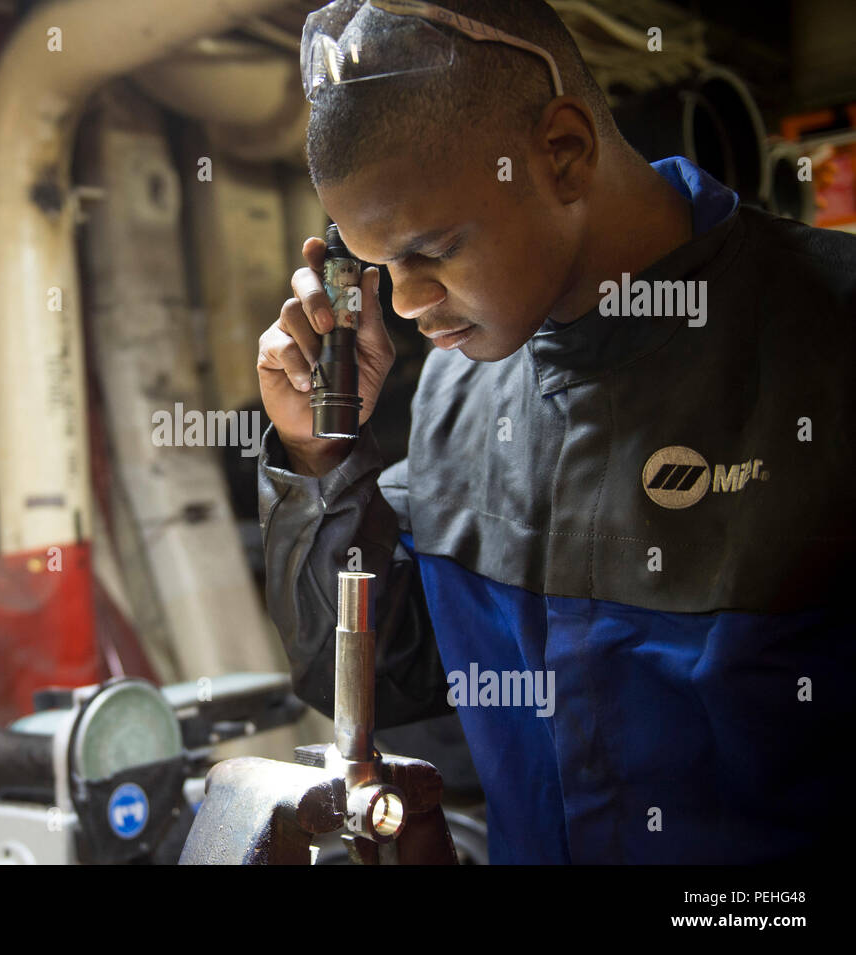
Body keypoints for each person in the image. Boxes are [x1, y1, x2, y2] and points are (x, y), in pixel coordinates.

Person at [256, 0, 856, 863]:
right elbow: (379, 677)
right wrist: (323, 458)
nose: (411, 303)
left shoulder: (830, 337)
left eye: (433, 249)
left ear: (562, 153)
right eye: (381, 268)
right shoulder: (458, 391)